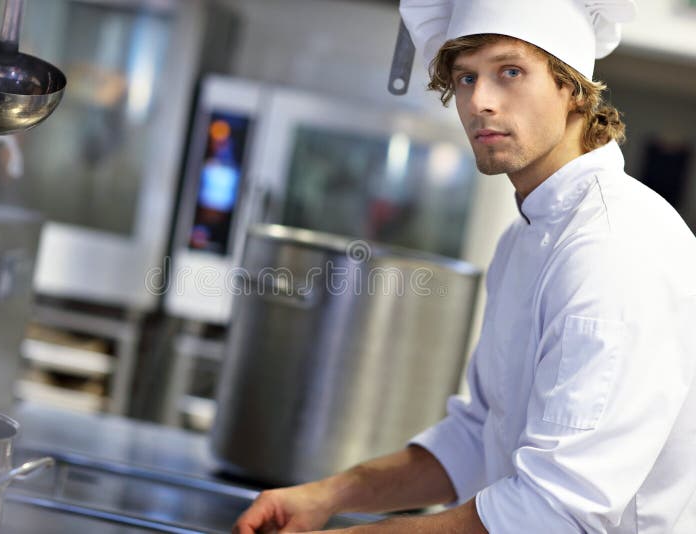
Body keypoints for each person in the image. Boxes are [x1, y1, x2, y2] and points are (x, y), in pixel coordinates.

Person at [232, 0, 696, 532]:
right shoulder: (525, 238)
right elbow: (480, 434)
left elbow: (554, 512)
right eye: (466, 78)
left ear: (571, 85)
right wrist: (325, 496)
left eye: (511, 72)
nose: (481, 102)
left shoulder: (614, 249)